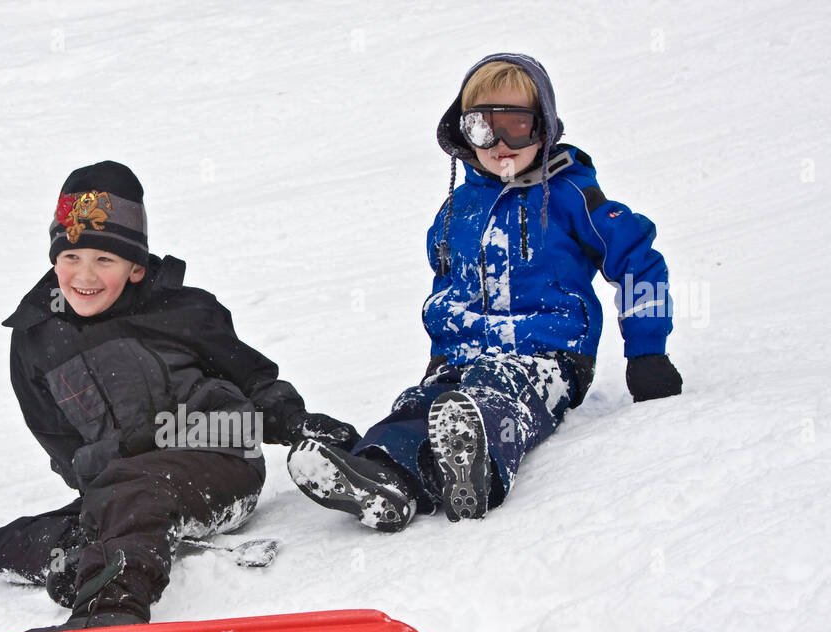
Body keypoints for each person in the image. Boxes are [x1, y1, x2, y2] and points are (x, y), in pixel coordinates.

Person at [288, 53, 683, 529]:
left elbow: (638, 261)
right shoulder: (458, 208)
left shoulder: (570, 195)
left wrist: (648, 353)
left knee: (494, 393)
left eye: (516, 126)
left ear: (544, 129)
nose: (498, 144)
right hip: (463, 358)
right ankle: (385, 478)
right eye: (480, 128)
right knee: (419, 404)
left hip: (547, 357)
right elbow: (447, 286)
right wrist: (441, 355)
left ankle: (480, 475)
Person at [0, 161, 359, 632]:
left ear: (135, 267)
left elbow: (252, 381)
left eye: (105, 260)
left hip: (220, 463)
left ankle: (110, 610)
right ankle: (93, 553)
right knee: (2, 546)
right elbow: (57, 439)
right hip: (122, 486)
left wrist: (295, 422)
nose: (85, 275)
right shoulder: (37, 338)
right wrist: (100, 479)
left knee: (133, 488)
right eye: (71, 257)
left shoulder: (181, 310)